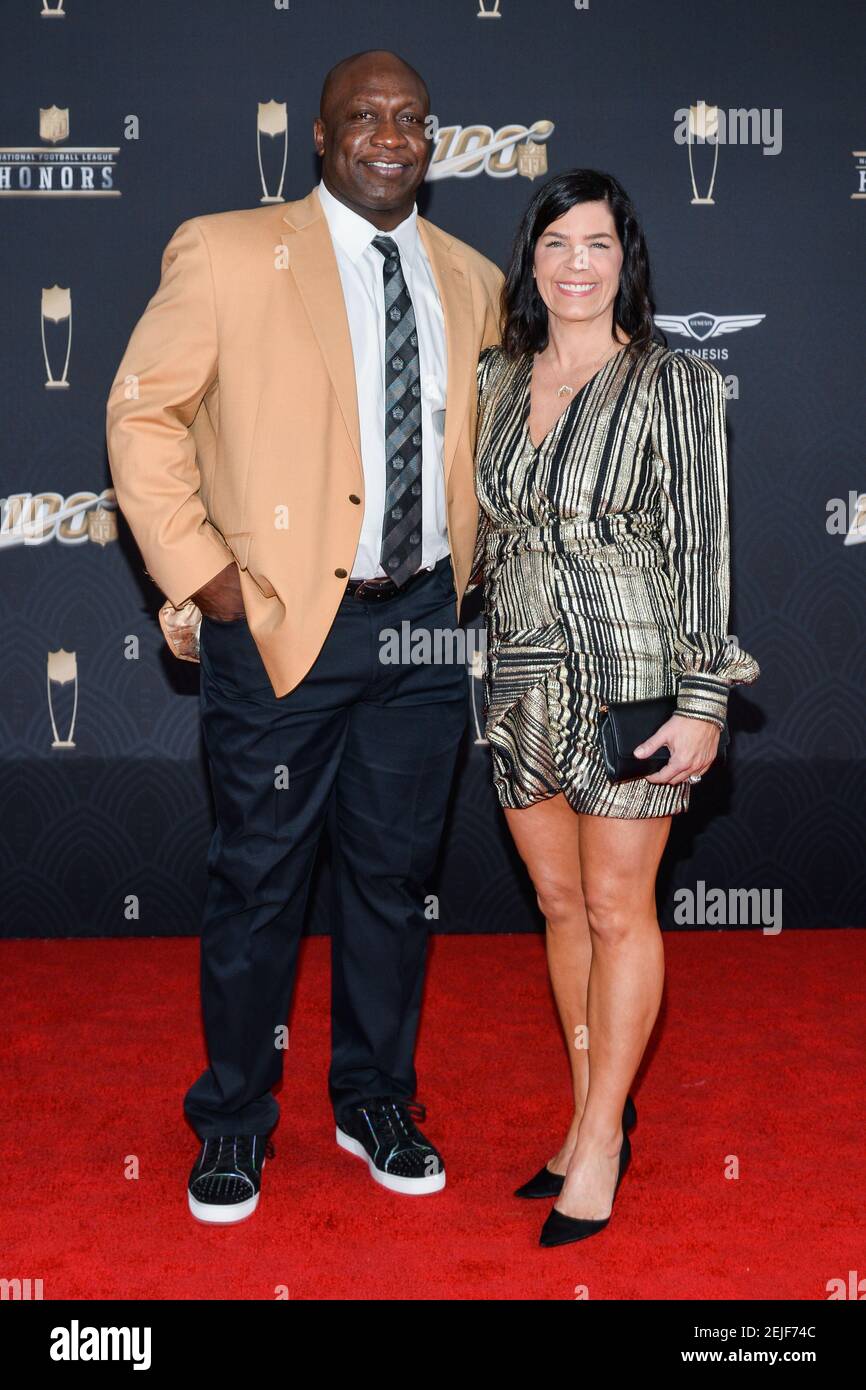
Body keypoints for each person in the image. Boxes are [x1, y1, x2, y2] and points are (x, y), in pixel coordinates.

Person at [106, 49, 503, 1222]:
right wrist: (205, 576)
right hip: (280, 626)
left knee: (393, 880)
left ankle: (374, 1095)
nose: (391, 135)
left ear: (432, 141)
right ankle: (232, 1116)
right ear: (321, 139)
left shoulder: (471, 277)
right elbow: (142, 413)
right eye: (364, 118)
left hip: (423, 625)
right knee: (258, 881)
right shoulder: (229, 251)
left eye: (412, 119)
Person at [473, 169, 759, 1247]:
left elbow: (701, 547)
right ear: (531, 260)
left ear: (623, 260)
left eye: (597, 244)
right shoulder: (499, 374)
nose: (576, 264)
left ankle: (596, 1142)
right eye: (557, 244)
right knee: (555, 905)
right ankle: (592, 1105)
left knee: (612, 908)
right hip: (517, 670)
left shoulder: (672, 382)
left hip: (631, 668)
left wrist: (702, 699)